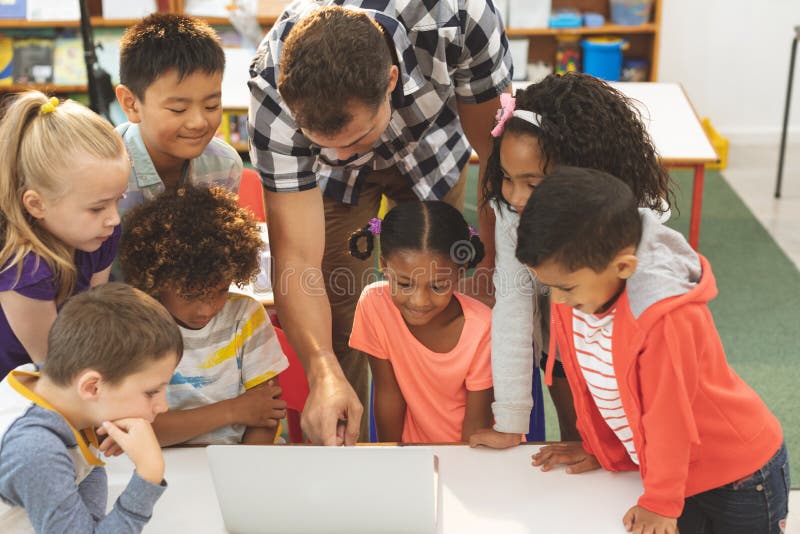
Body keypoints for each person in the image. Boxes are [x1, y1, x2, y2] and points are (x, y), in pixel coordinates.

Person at [248, 1, 512, 444]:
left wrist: (488, 272)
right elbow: (296, 259)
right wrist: (322, 369)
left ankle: (441, 438)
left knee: (436, 301)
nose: (343, 156)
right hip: (328, 188)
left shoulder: (459, 19)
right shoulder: (269, 89)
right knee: (335, 316)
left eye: (354, 140)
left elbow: (497, 159)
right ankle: (348, 442)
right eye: (324, 145)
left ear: (391, 80)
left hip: (434, 151)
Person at [517, 168, 788, 534]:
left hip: (737, 477)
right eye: (550, 287)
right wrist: (600, 446)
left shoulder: (664, 318)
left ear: (623, 266)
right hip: (673, 472)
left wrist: (661, 503)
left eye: (566, 288)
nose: (559, 301)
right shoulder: (585, 288)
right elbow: (595, 383)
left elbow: (669, 417)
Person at [469, 73, 673, 448]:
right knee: (579, 441)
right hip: (564, 353)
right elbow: (513, 306)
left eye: (532, 183)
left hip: (627, 358)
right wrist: (512, 420)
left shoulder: (632, 226)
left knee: (636, 448)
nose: (514, 196)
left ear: (581, 171)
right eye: (507, 178)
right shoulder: (513, 214)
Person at [0, 282, 182, 532]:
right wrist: (148, 476)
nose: (163, 406)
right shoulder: (35, 450)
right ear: (92, 387)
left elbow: (86, 514)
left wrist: (93, 433)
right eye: (151, 392)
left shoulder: (46, 385)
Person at [120, 186, 289, 446]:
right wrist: (234, 410)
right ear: (157, 280)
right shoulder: (136, 325)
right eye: (189, 295)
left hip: (239, 464)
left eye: (220, 291)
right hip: (163, 465)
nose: (206, 309)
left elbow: (266, 414)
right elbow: (140, 429)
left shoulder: (245, 316)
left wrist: (240, 472)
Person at [0, 92, 129, 378]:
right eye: (97, 208)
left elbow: (93, 319)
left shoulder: (101, 234)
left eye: (118, 199)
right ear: (36, 204)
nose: (114, 218)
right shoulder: (26, 271)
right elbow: (53, 371)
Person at [348, 202, 493, 442]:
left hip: (471, 457)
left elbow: (477, 428)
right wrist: (394, 458)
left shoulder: (482, 328)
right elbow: (388, 394)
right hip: (413, 458)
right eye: (405, 284)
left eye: (437, 286)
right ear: (384, 266)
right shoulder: (374, 305)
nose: (419, 301)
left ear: (459, 273)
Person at [114, 13, 242, 219]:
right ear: (131, 104)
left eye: (211, 105)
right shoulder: (101, 170)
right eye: (178, 109)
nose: (198, 123)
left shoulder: (225, 166)